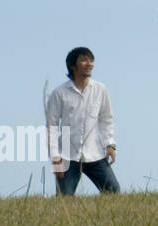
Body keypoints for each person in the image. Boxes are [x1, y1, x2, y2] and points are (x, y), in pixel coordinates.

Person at [46, 47, 120, 196]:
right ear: (73, 65)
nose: (89, 63)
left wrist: (110, 144)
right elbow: (51, 127)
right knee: (64, 198)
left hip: (95, 154)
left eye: (91, 60)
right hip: (67, 156)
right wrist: (55, 157)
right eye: (84, 60)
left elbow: (106, 119)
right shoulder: (59, 93)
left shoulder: (100, 89)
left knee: (113, 192)